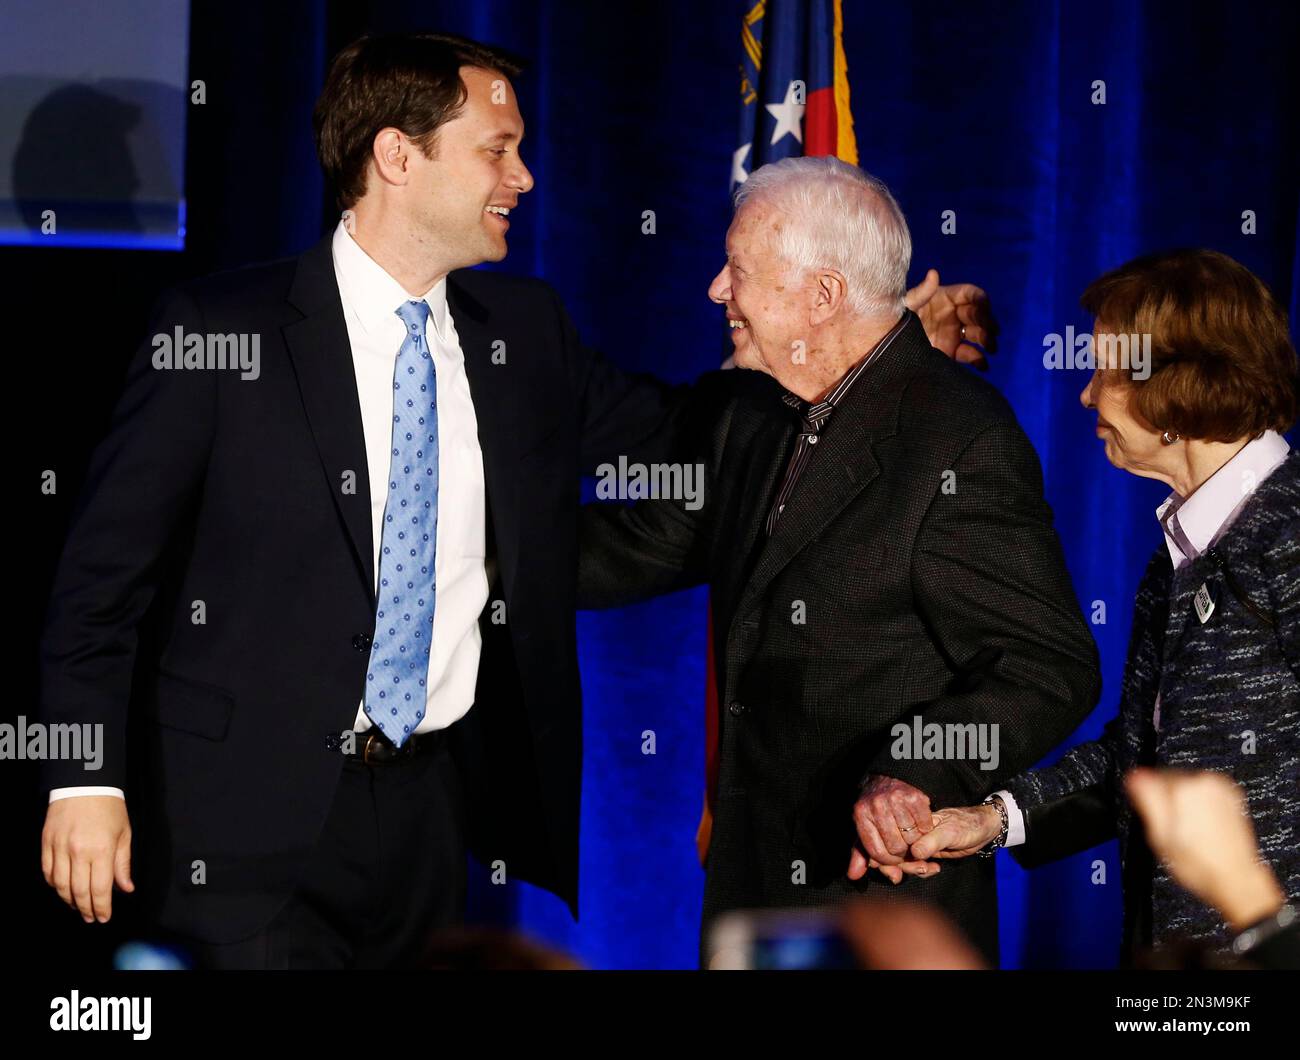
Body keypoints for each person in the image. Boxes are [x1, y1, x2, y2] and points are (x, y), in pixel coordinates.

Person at [37, 32, 994, 969]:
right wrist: (86, 777)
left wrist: (863, 339)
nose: (524, 176)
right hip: (236, 821)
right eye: (498, 150)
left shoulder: (524, 332)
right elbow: (99, 584)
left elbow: (680, 430)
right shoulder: (218, 332)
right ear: (397, 156)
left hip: (426, 816)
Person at [577, 156, 1100, 966]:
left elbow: (1048, 668)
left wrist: (912, 771)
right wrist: (453, 563)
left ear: (821, 297)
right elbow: (635, 546)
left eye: (739, 271)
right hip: (746, 896)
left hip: (883, 912)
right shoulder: (752, 414)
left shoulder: (958, 438)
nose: (718, 290)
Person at [909, 249, 1300, 961]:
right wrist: (993, 819)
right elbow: (1142, 754)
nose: (1086, 396)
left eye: (1106, 372)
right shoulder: (1182, 547)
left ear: (1179, 386)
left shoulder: (1290, 534)